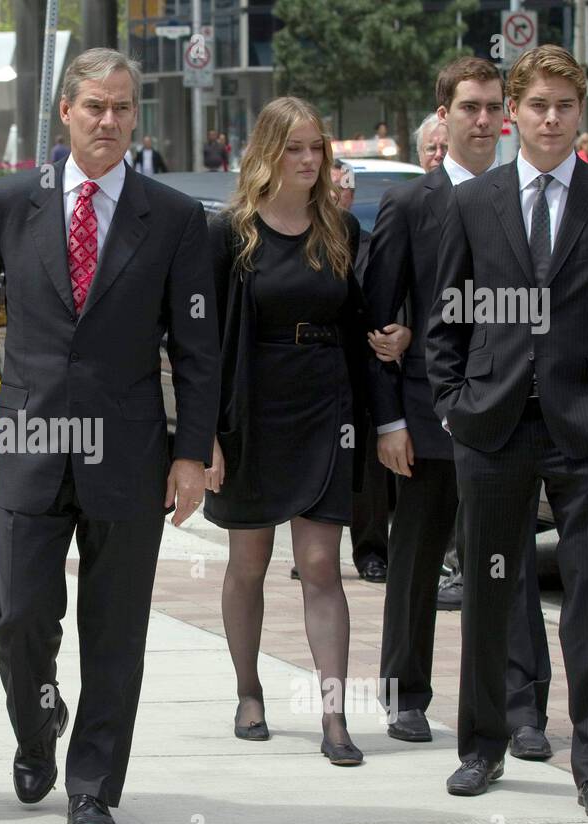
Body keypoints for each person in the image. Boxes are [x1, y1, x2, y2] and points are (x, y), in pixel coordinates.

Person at [0, 48, 219, 824]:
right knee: (18, 613)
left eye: (124, 108)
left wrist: (192, 450)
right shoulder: (12, 200)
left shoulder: (175, 217)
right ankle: (36, 719)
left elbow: (198, 347)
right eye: (95, 106)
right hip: (31, 435)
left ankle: (93, 786)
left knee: (115, 630)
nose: (110, 122)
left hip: (128, 451)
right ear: (65, 112)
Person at [426, 45, 588, 817]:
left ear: (579, 112)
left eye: (565, 106)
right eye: (538, 106)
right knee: (490, 596)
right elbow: (445, 320)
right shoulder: (474, 203)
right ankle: (483, 746)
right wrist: (456, 404)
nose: (552, 119)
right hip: (492, 428)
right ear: (513, 115)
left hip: (586, 430)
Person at [366, 57, 551, 752]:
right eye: (468, 107)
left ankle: (523, 709)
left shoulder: (524, 196)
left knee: (510, 564)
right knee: (415, 559)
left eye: (492, 107)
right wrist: (387, 420)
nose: (482, 119)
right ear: (442, 115)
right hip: (423, 418)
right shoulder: (413, 205)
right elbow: (378, 320)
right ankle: (405, 694)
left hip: (509, 415)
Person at [204, 96, 370, 766]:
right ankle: (248, 691)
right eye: (295, 148)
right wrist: (203, 436)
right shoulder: (231, 233)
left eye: (316, 149)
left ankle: (334, 715)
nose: (308, 161)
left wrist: (389, 340)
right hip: (250, 409)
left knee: (323, 563)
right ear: (268, 152)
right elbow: (206, 339)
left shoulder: (341, 229)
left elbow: (361, 319)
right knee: (248, 562)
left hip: (325, 405)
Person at [334, 160, 394, 585]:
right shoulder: (294, 240)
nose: (334, 196)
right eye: (327, 188)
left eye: (341, 189)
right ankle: (311, 546)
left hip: (361, 370)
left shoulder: (370, 245)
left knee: (368, 471)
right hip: (313, 373)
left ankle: (371, 550)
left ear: (351, 195)